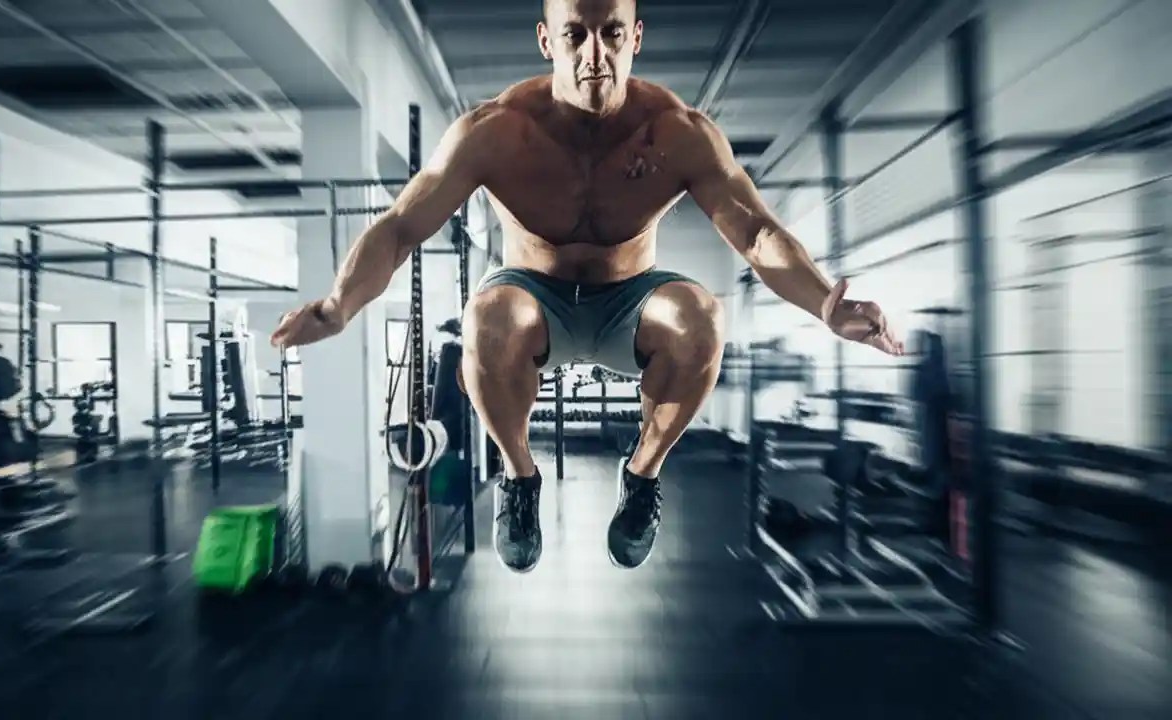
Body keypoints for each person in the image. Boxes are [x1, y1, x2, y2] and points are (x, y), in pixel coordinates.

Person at [271, 0, 904, 573]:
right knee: (485, 317)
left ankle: (643, 476)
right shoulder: (494, 132)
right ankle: (520, 480)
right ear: (547, 40)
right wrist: (338, 305)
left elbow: (756, 231)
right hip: (531, 299)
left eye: (612, 33)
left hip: (632, 298)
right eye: (575, 34)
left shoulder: (677, 132)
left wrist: (823, 303)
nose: (594, 54)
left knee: (704, 317)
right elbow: (401, 225)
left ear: (636, 38)